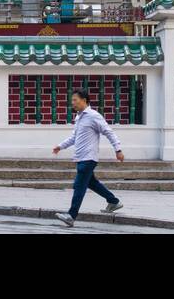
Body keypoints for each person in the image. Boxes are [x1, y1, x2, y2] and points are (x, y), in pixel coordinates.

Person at [52, 89, 124, 227]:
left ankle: (71, 216)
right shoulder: (79, 117)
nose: (72, 103)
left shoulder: (93, 116)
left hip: (89, 158)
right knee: (91, 183)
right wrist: (60, 146)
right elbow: (74, 137)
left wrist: (118, 150)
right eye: (72, 100)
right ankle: (114, 201)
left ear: (84, 100)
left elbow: (108, 132)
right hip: (80, 157)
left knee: (79, 186)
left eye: (75, 100)